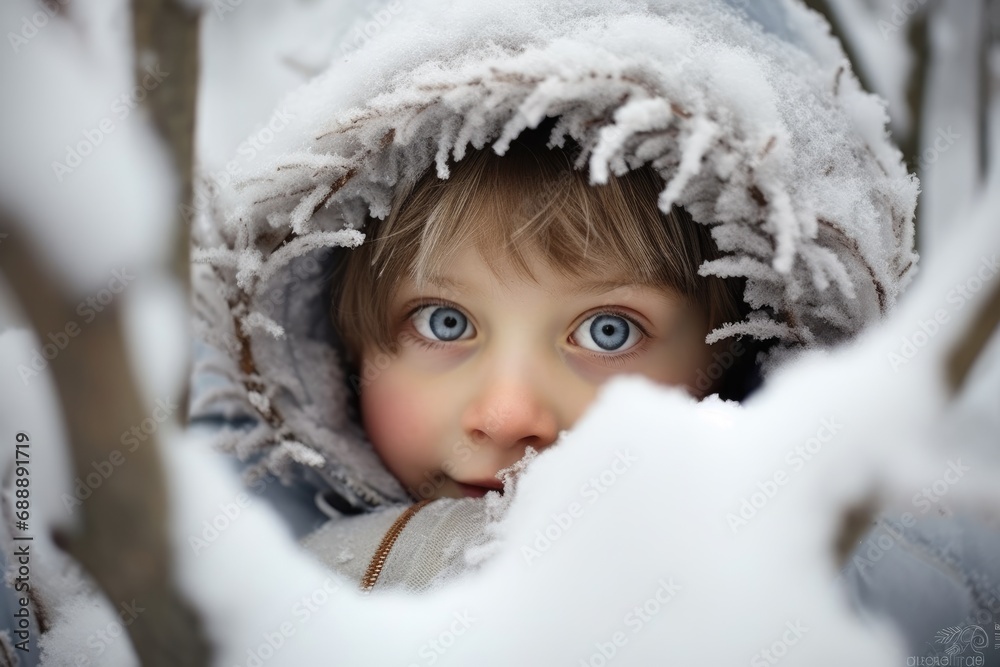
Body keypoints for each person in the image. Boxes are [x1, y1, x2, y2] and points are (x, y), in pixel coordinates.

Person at [188, 0, 997, 662]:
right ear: (347, 340)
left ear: (734, 349)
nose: (507, 415)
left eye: (608, 331)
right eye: (445, 321)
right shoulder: (220, 531)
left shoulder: (862, 553)